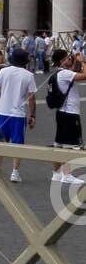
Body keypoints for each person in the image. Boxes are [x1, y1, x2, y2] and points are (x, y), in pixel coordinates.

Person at [0, 46, 37, 182]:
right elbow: (32, 98)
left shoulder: (3, 71)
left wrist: (4, 99)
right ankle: (15, 172)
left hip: (3, 112)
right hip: (19, 115)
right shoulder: (29, 75)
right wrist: (33, 115)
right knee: (17, 144)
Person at [47, 47, 86, 185]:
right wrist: (83, 61)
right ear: (62, 60)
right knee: (72, 145)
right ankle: (67, 174)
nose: (70, 58)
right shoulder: (64, 74)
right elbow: (83, 75)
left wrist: (76, 61)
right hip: (70, 113)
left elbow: (74, 72)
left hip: (62, 112)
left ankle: (57, 173)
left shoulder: (60, 73)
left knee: (59, 143)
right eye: (68, 57)